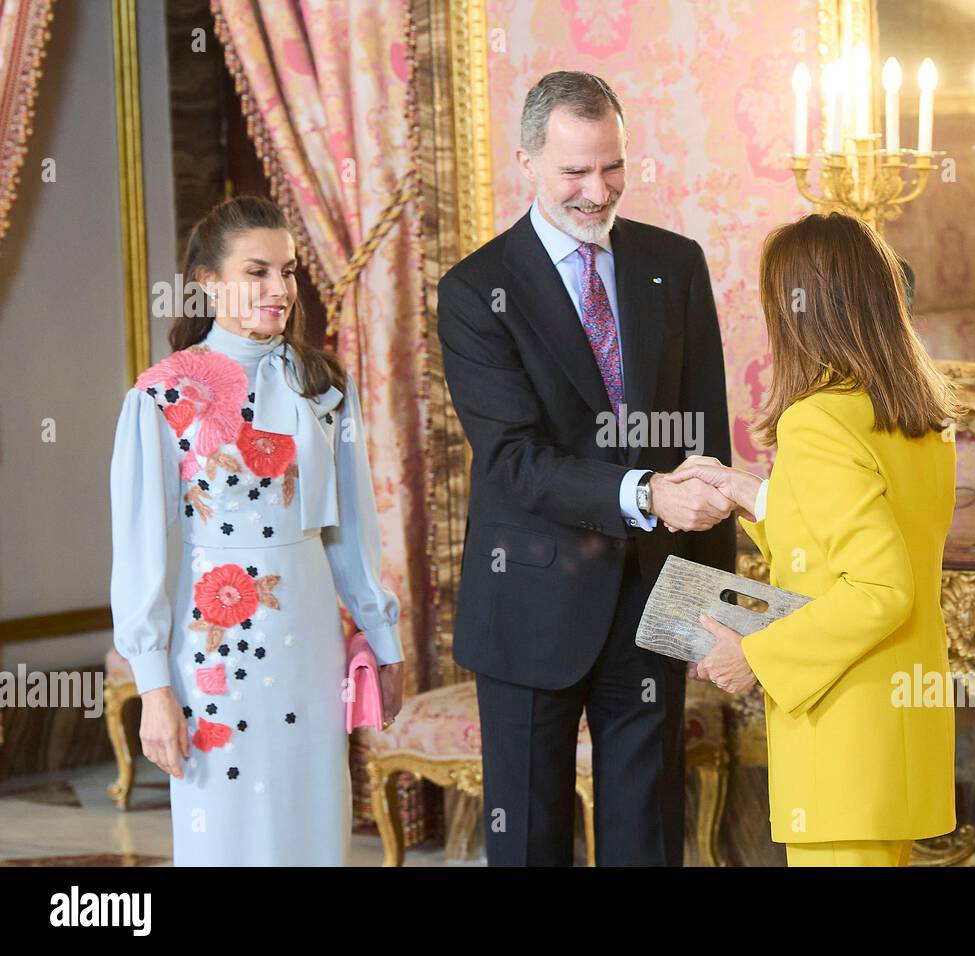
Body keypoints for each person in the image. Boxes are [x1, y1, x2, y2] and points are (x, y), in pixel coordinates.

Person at [436, 71, 735, 866]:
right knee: (531, 843)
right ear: (527, 162)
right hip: (529, 606)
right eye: (574, 171)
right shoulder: (475, 290)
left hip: (653, 604)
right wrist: (643, 492)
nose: (597, 191)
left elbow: (706, 445)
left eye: (612, 167)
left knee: (649, 840)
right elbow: (513, 460)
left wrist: (716, 606)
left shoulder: (675, 265)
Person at [109, 196, 404, 865]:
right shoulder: (161, 396)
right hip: (215, 648)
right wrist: (155, 690)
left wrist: (381, 641)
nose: (279, 290)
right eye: (257, 272)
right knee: (228, 832)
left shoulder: (324, 384)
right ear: (208, 282)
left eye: (289, 271)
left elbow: (351, 531)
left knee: (314, 826)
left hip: (312, 644)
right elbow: (141, 556)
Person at [665, 211, 960, 867]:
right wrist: (755, 494)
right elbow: (864, 539)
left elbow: (881, 590)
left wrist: (756, 657)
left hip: (842, 739)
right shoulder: (915, 413)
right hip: (892, 737)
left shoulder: (817, 420)